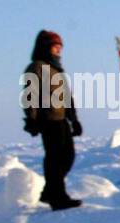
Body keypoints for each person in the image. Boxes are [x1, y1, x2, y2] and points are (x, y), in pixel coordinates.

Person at [21, 29, 83, 210]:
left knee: (67, 157)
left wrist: (74, 119)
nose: (59, 51)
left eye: (59, 48)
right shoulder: (37, 67)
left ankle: (50, 192)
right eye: (55, 47)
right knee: (55, 159)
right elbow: (30, 95)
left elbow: (66, 97)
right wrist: (31, 119)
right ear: (45, 48)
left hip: (61, 119)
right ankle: (57, 197)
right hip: (47, 120)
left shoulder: (56, 70)